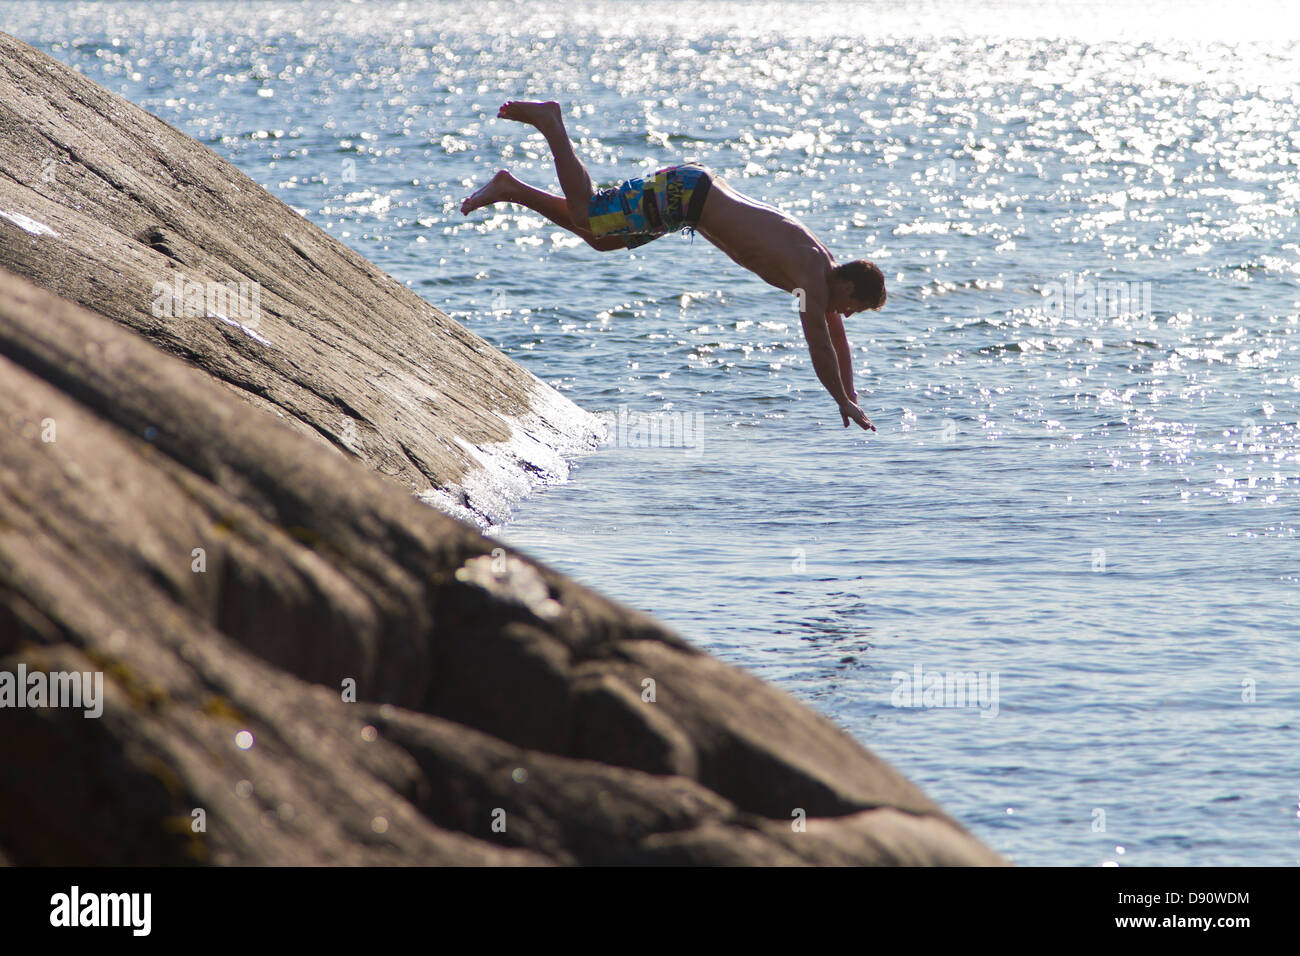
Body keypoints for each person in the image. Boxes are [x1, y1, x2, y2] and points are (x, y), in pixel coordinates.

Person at [461, 100, 886, 431]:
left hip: (691, 201)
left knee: (601, 239)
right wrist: (839, 400)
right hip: (687, 195)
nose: (847, 314)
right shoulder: (812, 278)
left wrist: (849, 394)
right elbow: (819, 343)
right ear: (848, 285)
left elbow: (835, 336)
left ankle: (511, 188)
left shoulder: (821, 270)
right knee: (588, 212)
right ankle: (551, 123)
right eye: (855, 306)